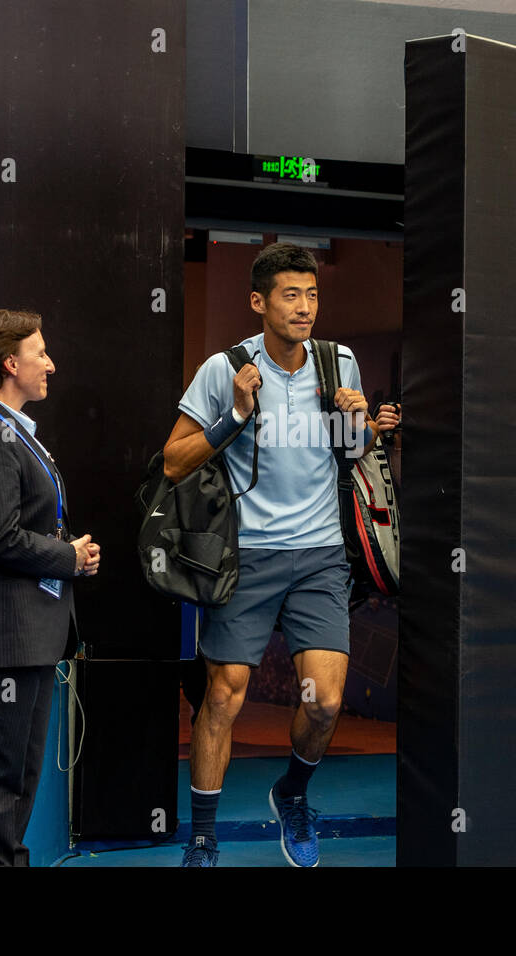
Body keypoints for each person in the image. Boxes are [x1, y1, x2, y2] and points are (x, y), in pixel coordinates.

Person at [163, 242, 400, 866]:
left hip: (320, 556)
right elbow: (173, 461)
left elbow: (351, 453)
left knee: (322, 703)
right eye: (290, 295)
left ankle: (292, 793)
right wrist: (234, 417)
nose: (304, 308)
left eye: (312, 294)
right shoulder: (225, 369)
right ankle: (204, 840)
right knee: (224, 695)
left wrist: (362, 423)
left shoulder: (337, 362)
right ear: (258, 301)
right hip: (249, 556)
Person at [0, 307, 99, 866]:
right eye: (40, 353)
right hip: (7, 635)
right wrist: (68, 555)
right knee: (1, 777)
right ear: (10, 363)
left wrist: (70, 555)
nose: (51, 364)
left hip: (30, 634)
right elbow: (0, 538)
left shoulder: (12, 433)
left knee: (20, 776)